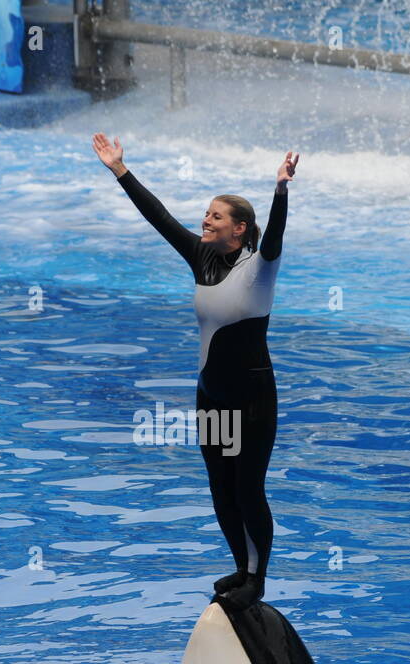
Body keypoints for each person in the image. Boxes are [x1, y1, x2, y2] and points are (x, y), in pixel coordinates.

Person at [92, 133, 298, 609]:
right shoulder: (202, 256)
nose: (205, 220)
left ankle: (257, 577)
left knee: (249, 486)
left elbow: (279, 231)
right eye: (207, 213)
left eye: (216, 216)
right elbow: (159, 217)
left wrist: (280, 190)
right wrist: (120, 170)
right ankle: (240, 564)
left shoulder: (260, 268)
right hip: (211, 395)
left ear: (241, 229)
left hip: (251, 399)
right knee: (220, 485)